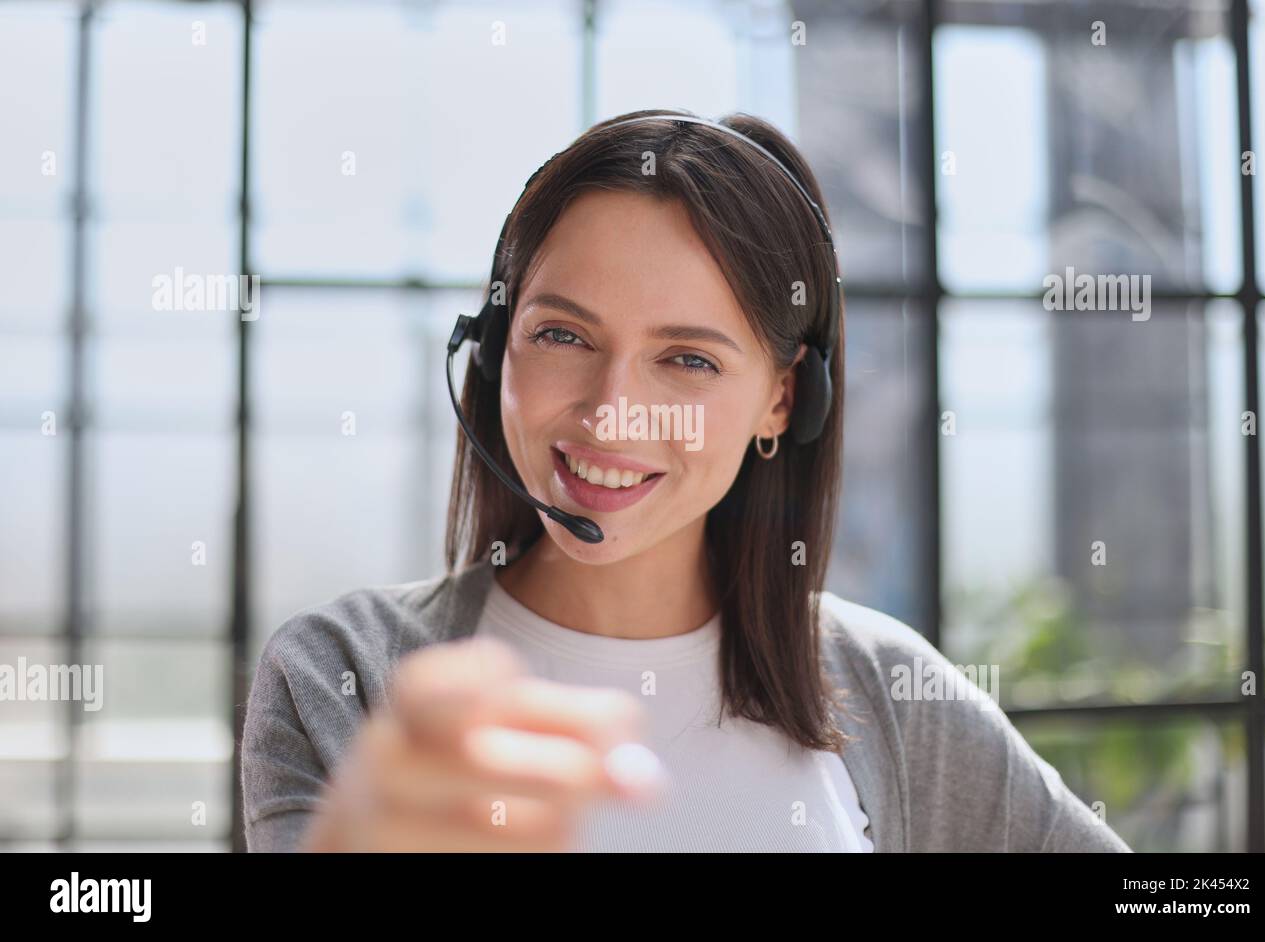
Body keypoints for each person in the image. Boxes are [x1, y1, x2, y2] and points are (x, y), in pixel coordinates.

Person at [239, 108, 1131, 853]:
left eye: (688, 360)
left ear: (782, 401)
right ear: (492, 347)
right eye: (563, 336)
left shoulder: (886, 689)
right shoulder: (341, 674)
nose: (612, 412)